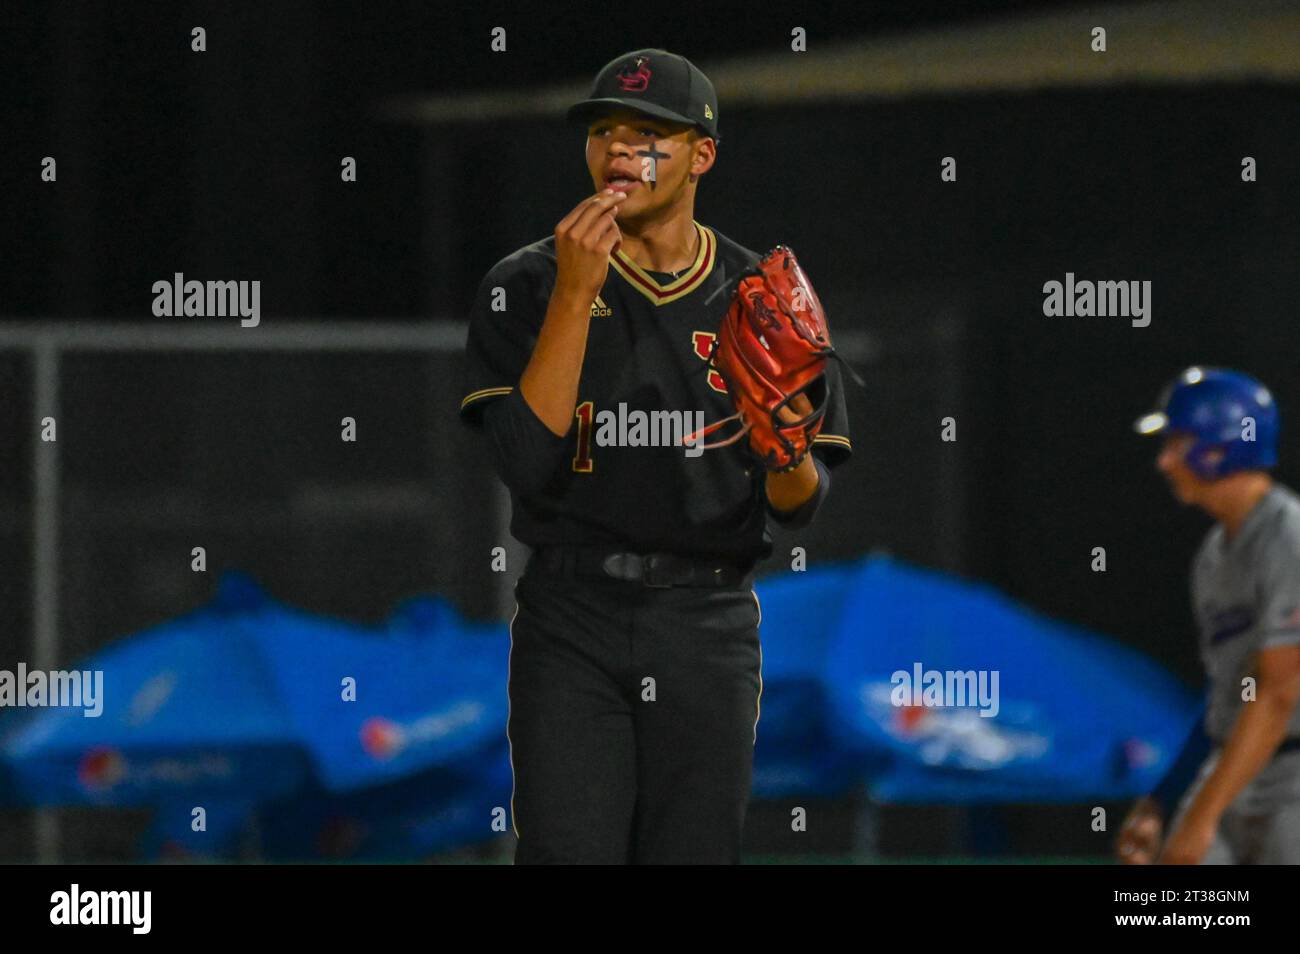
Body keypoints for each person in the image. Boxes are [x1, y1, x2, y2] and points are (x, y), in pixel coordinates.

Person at [457, 49, 852, 863]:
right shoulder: (526, 284)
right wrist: (575, 293)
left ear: (702, 154)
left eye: (647, 134)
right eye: (604, 130)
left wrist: (783, 447)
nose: (617, 152)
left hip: (704, 619)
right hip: (572, 618)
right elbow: (526, 466)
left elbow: (798, 503)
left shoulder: (755, 292)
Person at [1118, 366, 1300, 864]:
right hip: (1238, 772)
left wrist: (1200, 818)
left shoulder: (1288, 537)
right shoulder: (1213, 555)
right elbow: (1226, 698)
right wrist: (1162, 800)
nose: (1165, 461)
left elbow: (1280, 693)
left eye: (1177, 443)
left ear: (1219, 446)